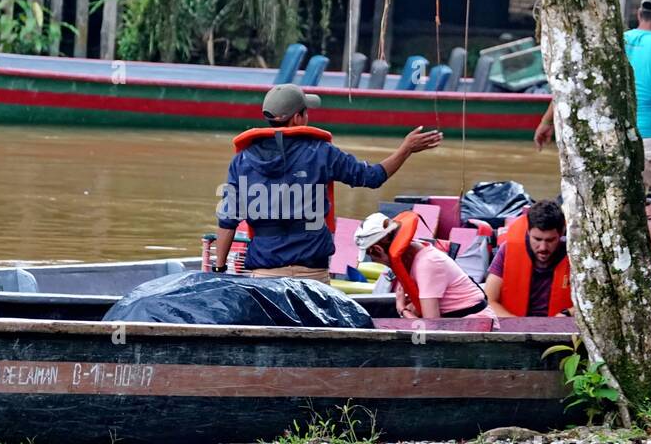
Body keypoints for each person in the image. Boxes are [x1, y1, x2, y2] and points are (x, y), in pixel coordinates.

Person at [212, 83, 442, 282]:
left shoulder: (241, 161)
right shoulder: (321, 153)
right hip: (312, 273)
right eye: (306, 111)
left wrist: (219, 268)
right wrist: (406, 150)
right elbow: (372, 177)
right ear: (297, 118)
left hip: (264, 272)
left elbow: (227, 222)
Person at [534, 0, 651, 224]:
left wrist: (546, 122)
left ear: (640, 14)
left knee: (623, 201)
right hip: (648, 144)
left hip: (607, 141)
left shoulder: (612, 43)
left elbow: (572, 86)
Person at [355, 211, 490, 319]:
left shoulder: (427, 263)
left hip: (473, 325)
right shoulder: (414, 251)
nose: (374, 261)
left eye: (371, 256)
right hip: (454, 320)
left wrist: (402, 309)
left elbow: (431, 328)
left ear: (378, 250)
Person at [484, 199, 573, 318]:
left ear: (562, 233)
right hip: (514, 327)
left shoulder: (575, 255)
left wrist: (568, 314)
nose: (543, 247)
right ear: (528, 231)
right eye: (537, 239)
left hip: (561, 329)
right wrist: (518, 326)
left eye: (550, 240)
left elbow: (592, 302)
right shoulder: (507, 250)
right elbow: (489, 301)